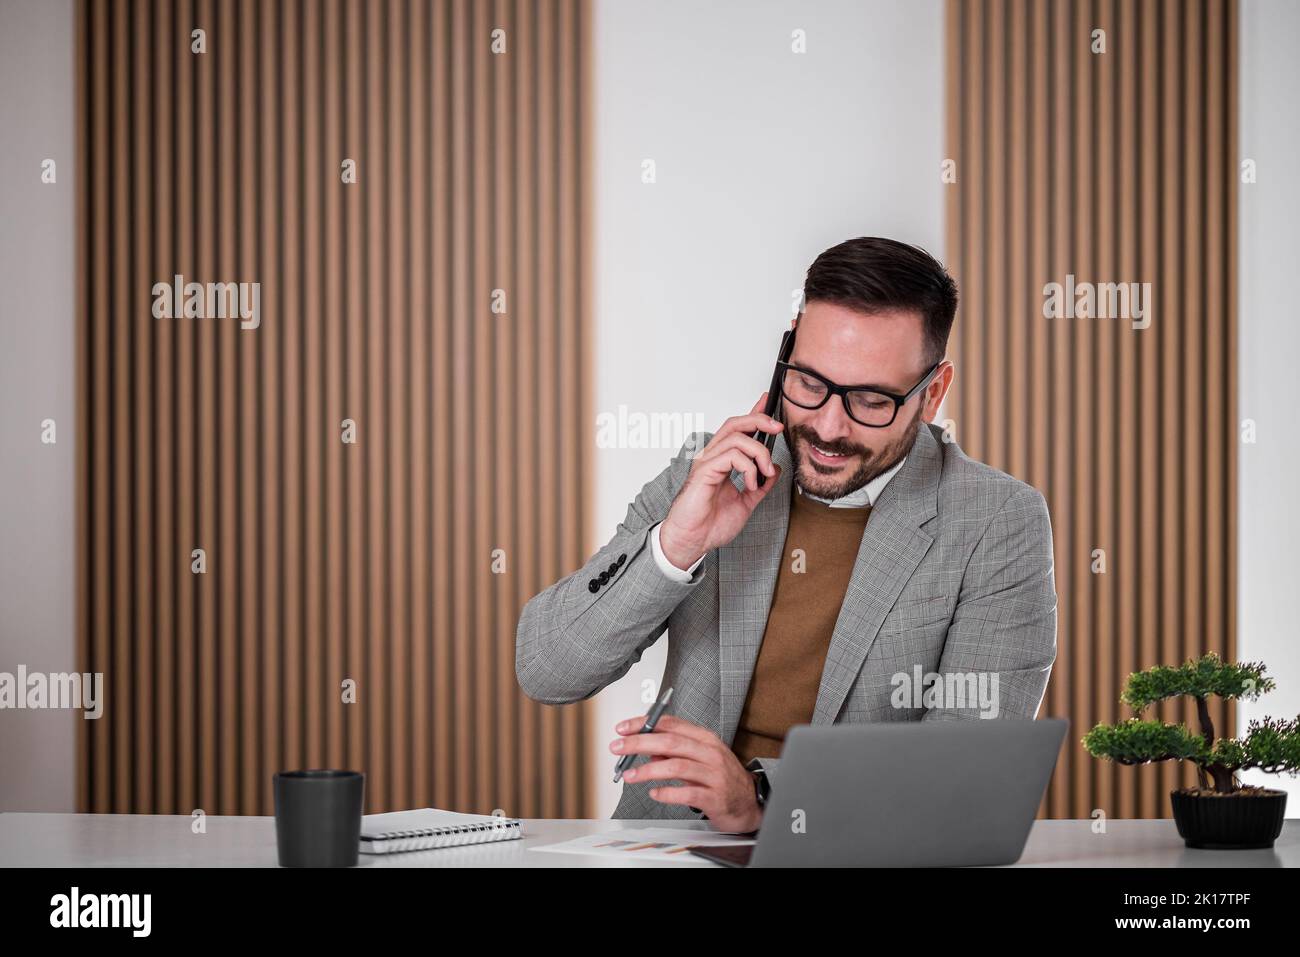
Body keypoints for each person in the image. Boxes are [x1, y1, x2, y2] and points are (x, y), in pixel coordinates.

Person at [516, 237, 1057, 832]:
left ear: (932, 393)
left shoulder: (997, 521)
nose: (828, 426)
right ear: (786, 355)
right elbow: (547, 670)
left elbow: (965, 771)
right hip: (666, 845)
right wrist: (676, 545)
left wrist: (761, 798)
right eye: (808, 382)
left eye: (872, 399)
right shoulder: (710, 471)